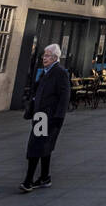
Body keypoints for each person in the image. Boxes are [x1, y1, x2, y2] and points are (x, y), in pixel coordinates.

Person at [20, 43, 71, 193]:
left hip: (47, 117)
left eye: (47, 55)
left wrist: (58, 117)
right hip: (40, 115)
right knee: (43, 146)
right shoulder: (45, 72)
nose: (44, 58)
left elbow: (65, 96)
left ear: (55, 57)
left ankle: (28, 181)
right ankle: (44, 177)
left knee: (36, 146)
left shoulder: (59, 73)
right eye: (44, 55)